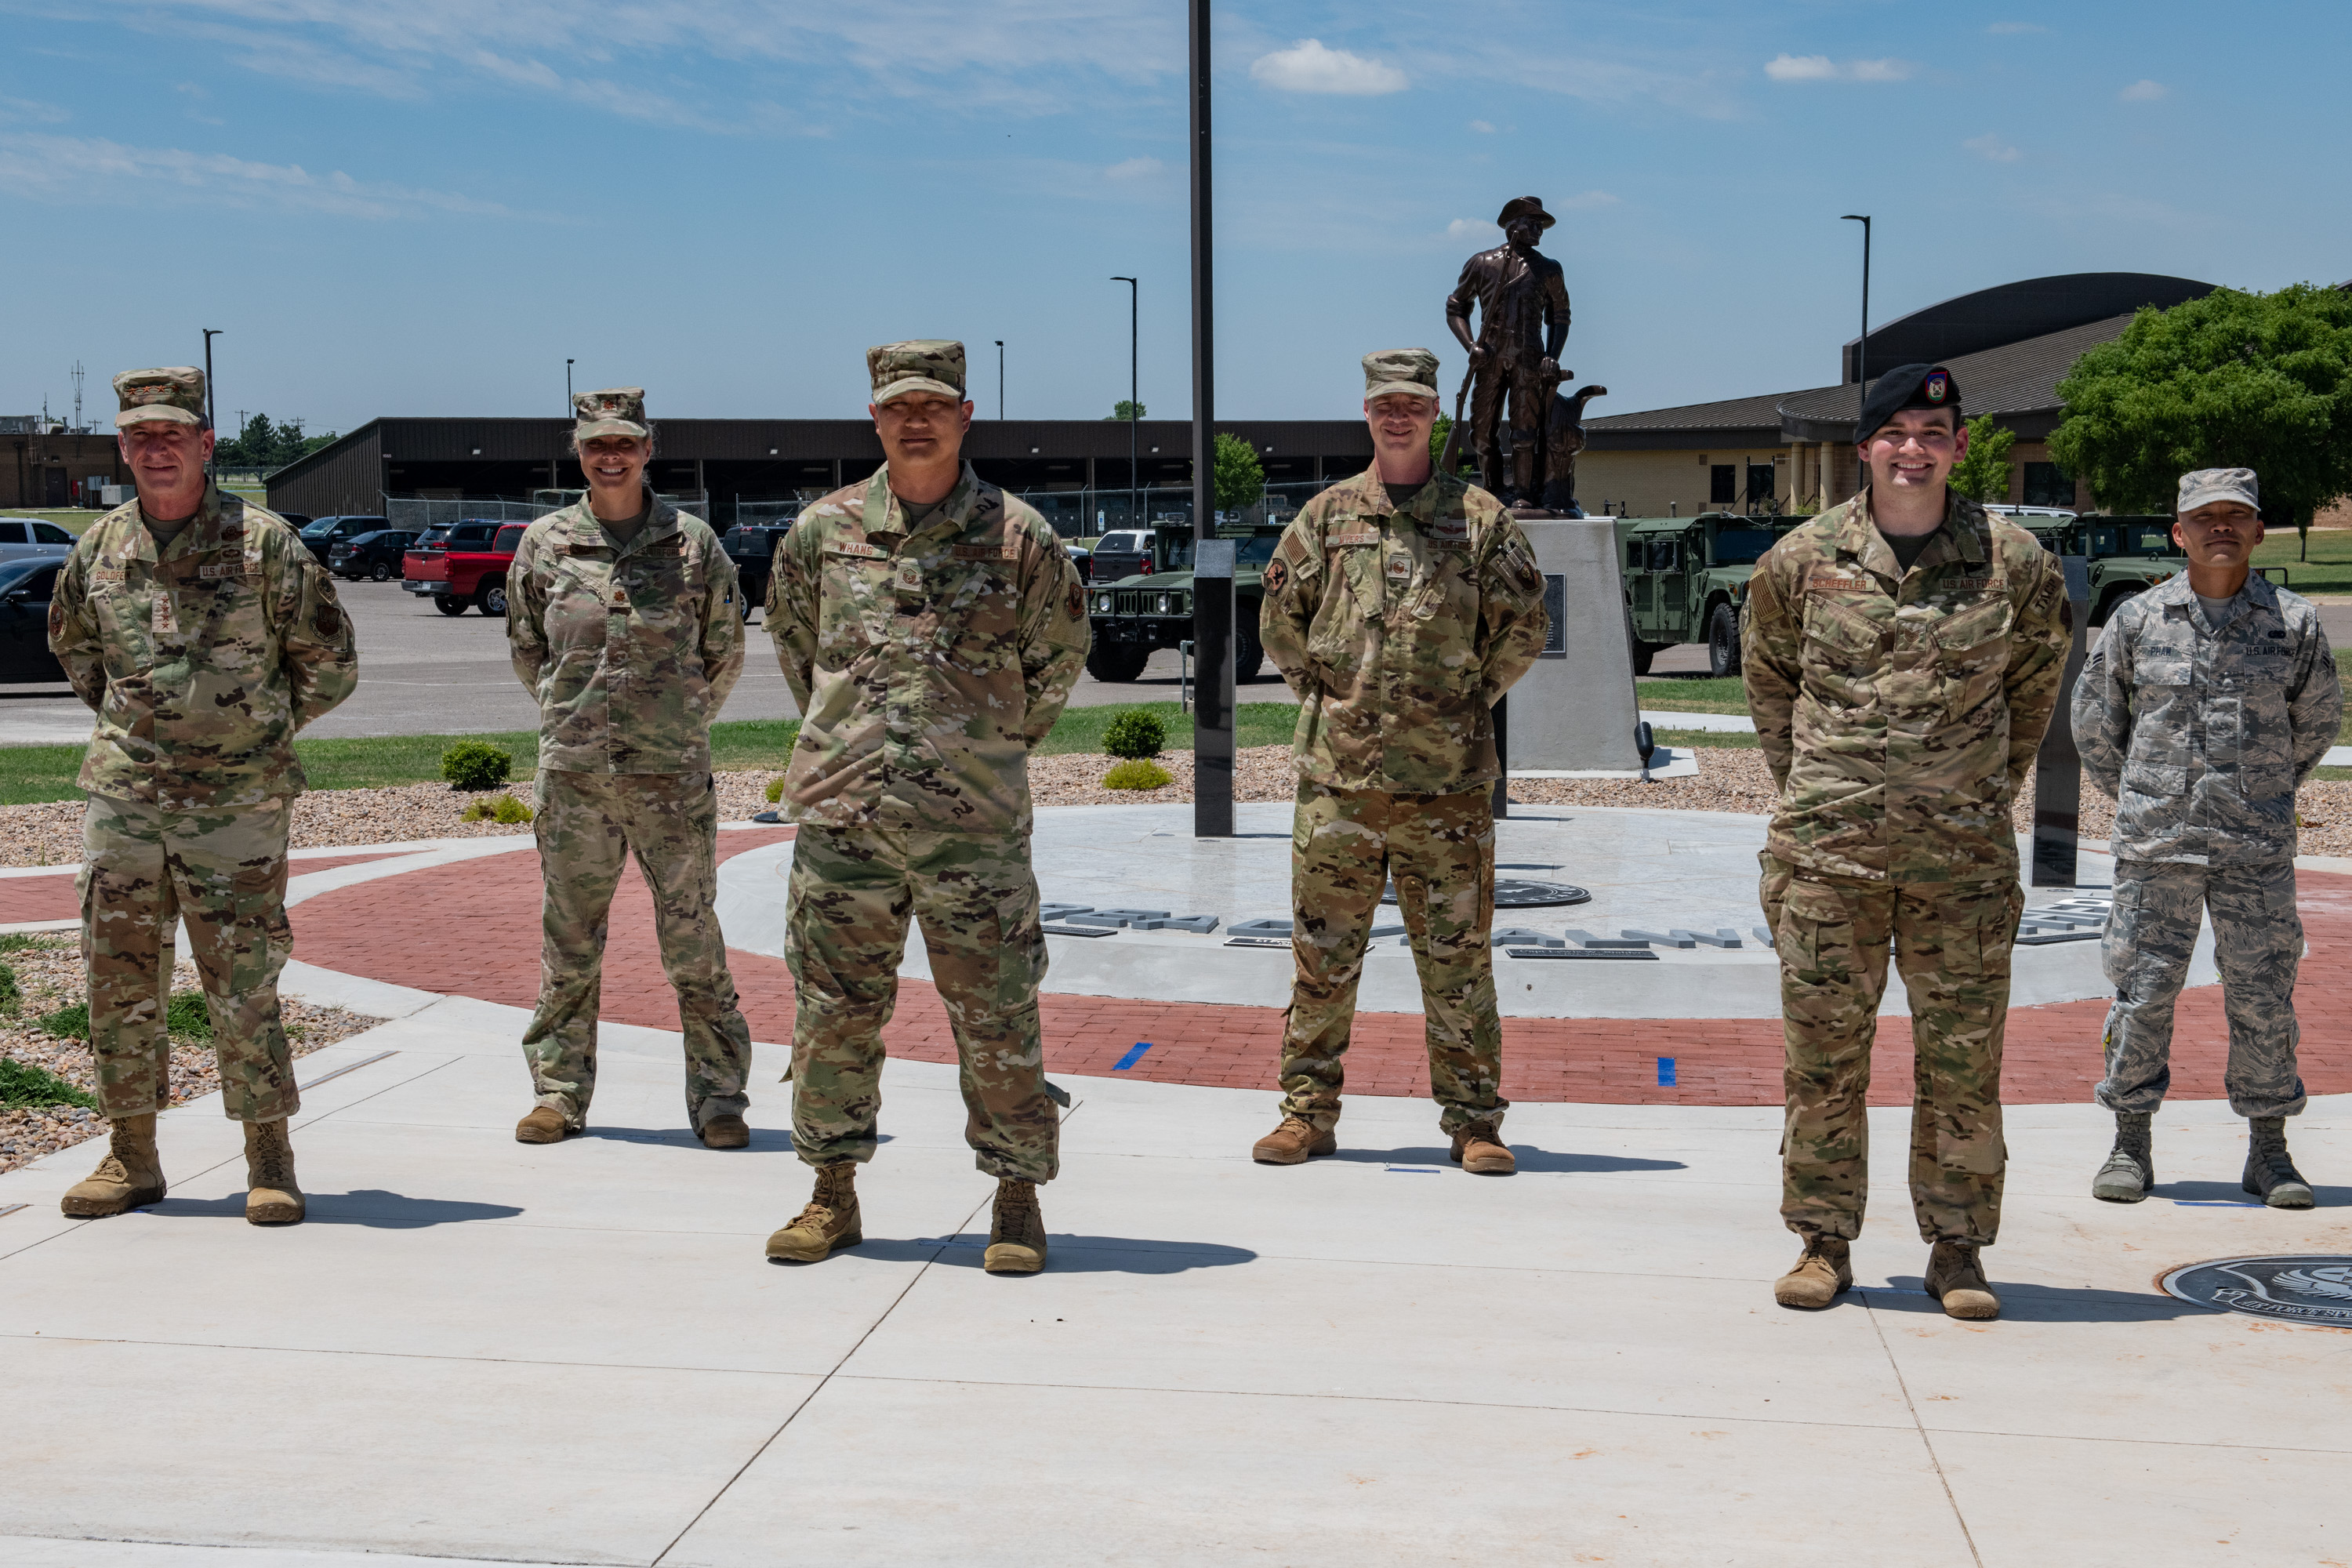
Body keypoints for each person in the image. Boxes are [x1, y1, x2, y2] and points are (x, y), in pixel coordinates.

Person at [1742, 364, 2071, 1319]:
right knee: (1823, 1058)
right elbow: (1772, 692)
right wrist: (1822, 794)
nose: (1913, 448)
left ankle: (1958, 1248)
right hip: (1827, 862)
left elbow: (2032, 695)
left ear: (1959, 445)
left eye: (1932, 430)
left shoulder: (2014, 562)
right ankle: (1821, 1238)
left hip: (1960, 866)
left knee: (1963, 1062)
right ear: (1865, 448)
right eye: (1895, 431)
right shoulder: (1800, 560)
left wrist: (1968, 794)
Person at [762, 341, 1089, 1273]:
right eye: (898, 404)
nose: (916, 419)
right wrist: (855, 739)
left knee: (996, 1014)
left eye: (934, 404)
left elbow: (1055, 662)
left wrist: (978, 748)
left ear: (966, 414)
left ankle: (1017, 1194)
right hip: (844, 822)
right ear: (874, 417)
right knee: (832, 1012)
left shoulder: (1020, 536)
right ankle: (831, 1191)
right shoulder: (820, 534)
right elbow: (799, 650)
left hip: (973, 827)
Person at [47, 366, 358, 1225]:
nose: (155, 448)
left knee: (244, 977)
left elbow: (330, 663)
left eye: (172, 434)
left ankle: (269, 1155)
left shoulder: (264, 544)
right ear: (122, 446)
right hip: (126, 800)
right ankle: (131, 1155)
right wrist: (140, 728)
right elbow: (76, 651)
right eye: (140, 435)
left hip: (237, 808)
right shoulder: (100, 546)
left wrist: (250, 733)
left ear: (205, 445)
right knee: (118, 977)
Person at [1252, 349, 1548, 1172]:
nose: (1399, 415)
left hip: (1444, 787)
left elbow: (1524, 625)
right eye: (1386, 402)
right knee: (1321, 956)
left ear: (1433, 414)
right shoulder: (1328, 514)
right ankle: (1306, 1112)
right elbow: (1281, 618)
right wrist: (1330, 691)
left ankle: (1476, 1121)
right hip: (1338, 784)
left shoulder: (1480, 518)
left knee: (1457, 961)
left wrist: (1461, 699)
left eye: (1413, 402)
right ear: (1368, 409)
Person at [2073, 467, 2340, 1207]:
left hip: (2254, 851)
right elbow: (2096, 724)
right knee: (2143, 994)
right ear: (2177, 532)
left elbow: (2316, 723)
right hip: (2158, 848)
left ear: (2258, 530)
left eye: (2236, 515)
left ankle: (2269, 1151)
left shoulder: (2295, 624)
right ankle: (2129, 1145)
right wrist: (2146, 794)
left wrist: (2263, 790)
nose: (2220, 526)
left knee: (2262, 999)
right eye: (2205, 515)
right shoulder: (2138, 620)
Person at [506, 388, 755, 1149]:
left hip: (670, 781)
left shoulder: (691, 544)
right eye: (595, 444)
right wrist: (576, 719)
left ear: (649, 447)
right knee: (569, 940)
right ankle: (558, 1091)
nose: (609, 456)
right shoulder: (545, 544)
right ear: (578, 451)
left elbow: (725, 650)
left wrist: (673, 725)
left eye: (624, 442)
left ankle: (718, 1097)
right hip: (577, 780)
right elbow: (528, 650)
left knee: (692, 939)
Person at [1444, 196, 1572, 509]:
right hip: (1488, 360)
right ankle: (1493, 490)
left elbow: (1560, 317)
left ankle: (1524, 495)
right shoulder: (1482, 263)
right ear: (1513, 226)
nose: (1539, 231)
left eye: (1541, 225)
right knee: (1481, 433)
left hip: (1529, 361)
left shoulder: (1548, 269)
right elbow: (1456, 308)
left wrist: (1551, 355)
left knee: (1524, 433)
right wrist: (1471, 345)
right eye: (1532, 224)